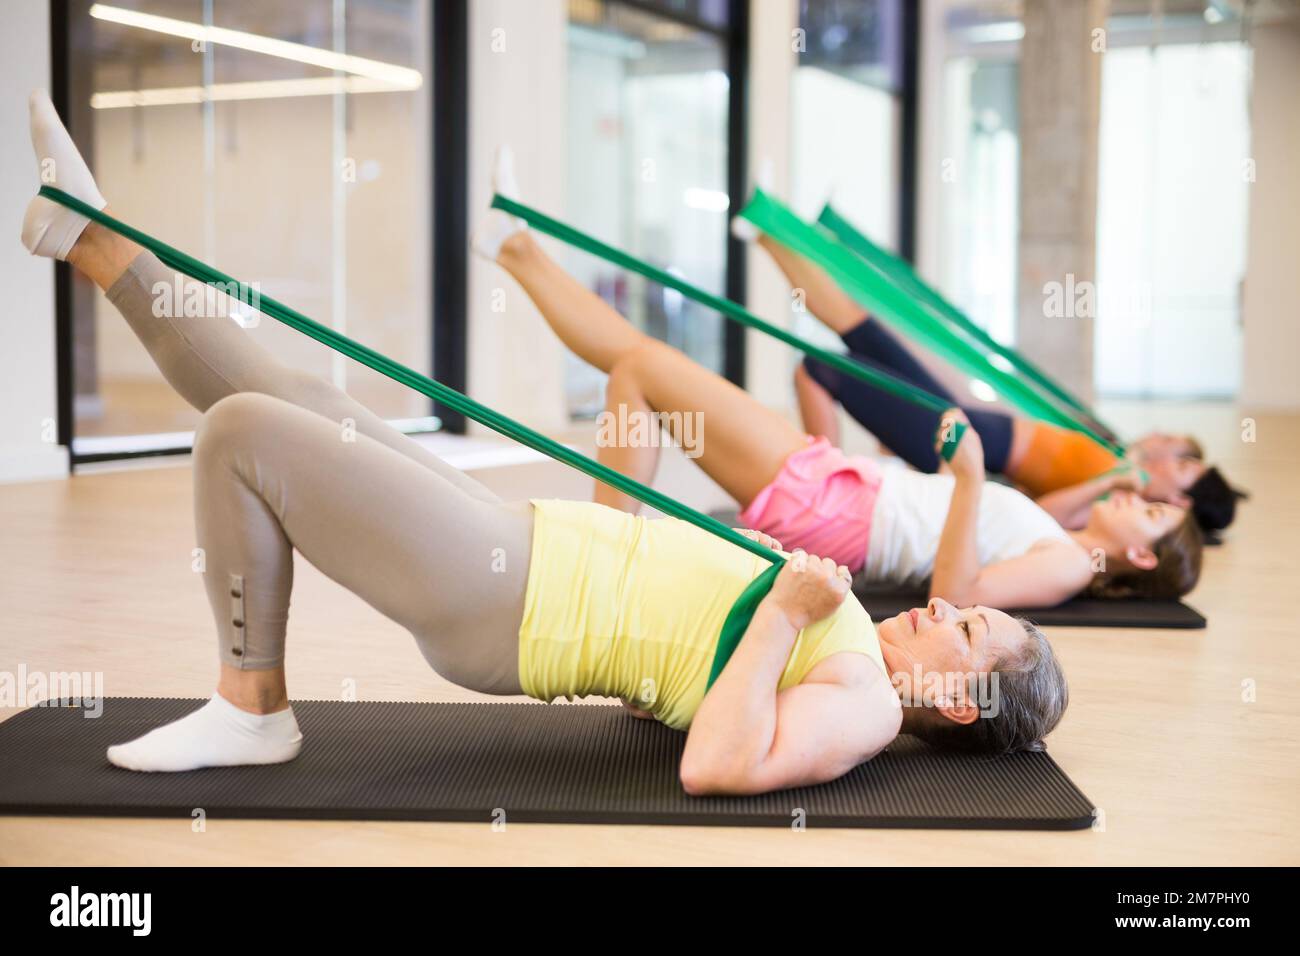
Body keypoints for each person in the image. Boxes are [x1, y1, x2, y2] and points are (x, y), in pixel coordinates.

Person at [20, 91, 1066, 793]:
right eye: (970, 614)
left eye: (967, 634)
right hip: (528, 540)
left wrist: (788, 608)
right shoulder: (850, 633)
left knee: (246, 432)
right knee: (288, 391)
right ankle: (92, 237)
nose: (949, 606)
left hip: (511, 602)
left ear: (957, 699)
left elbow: (717, 763)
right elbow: (686, 643)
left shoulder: (869, 708)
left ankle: (252, 707)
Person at [479, 159, 1202, 610]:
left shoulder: (1070, 569)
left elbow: (956, 597)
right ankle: (514, 249)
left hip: (834, 513)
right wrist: (1103, 482)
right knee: (640, 365)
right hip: (842, 485)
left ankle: (608, 560)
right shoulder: (1068, 536)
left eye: (1153, 517)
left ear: (1140, 556)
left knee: (641, 367)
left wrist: (974, 481)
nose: (1143, 500)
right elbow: (1055, 505)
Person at [745, 227, 1241, 533]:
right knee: (860, 327)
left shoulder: (1116, 503)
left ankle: (819, 482)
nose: (1173, 460)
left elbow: (1038, 515)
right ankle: (765, 230)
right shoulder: (1125, 467)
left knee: (821, 367)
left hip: (956, 438)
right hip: (967, 418)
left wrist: (1115, 477)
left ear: (1179, 500)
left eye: (1184, 470)